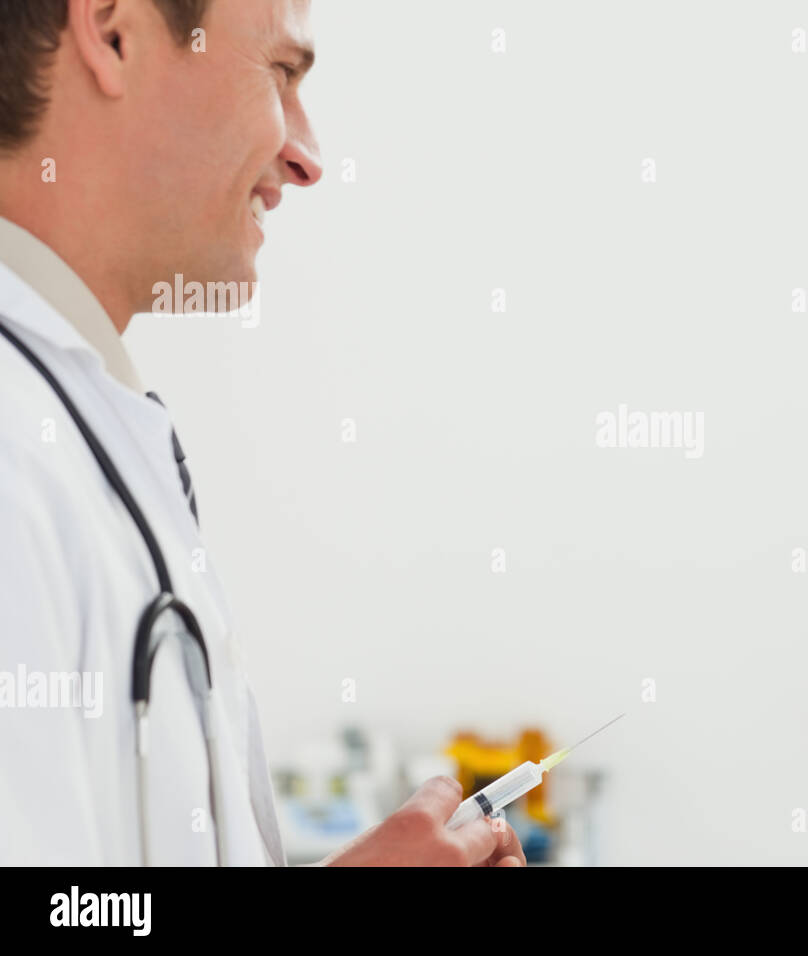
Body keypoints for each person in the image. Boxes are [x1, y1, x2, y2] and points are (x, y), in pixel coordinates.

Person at [0, 0, 524, 866]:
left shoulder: (73, 417)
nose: (306, 157)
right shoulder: (17, 457)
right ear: (114, 30)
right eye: (281, 74)